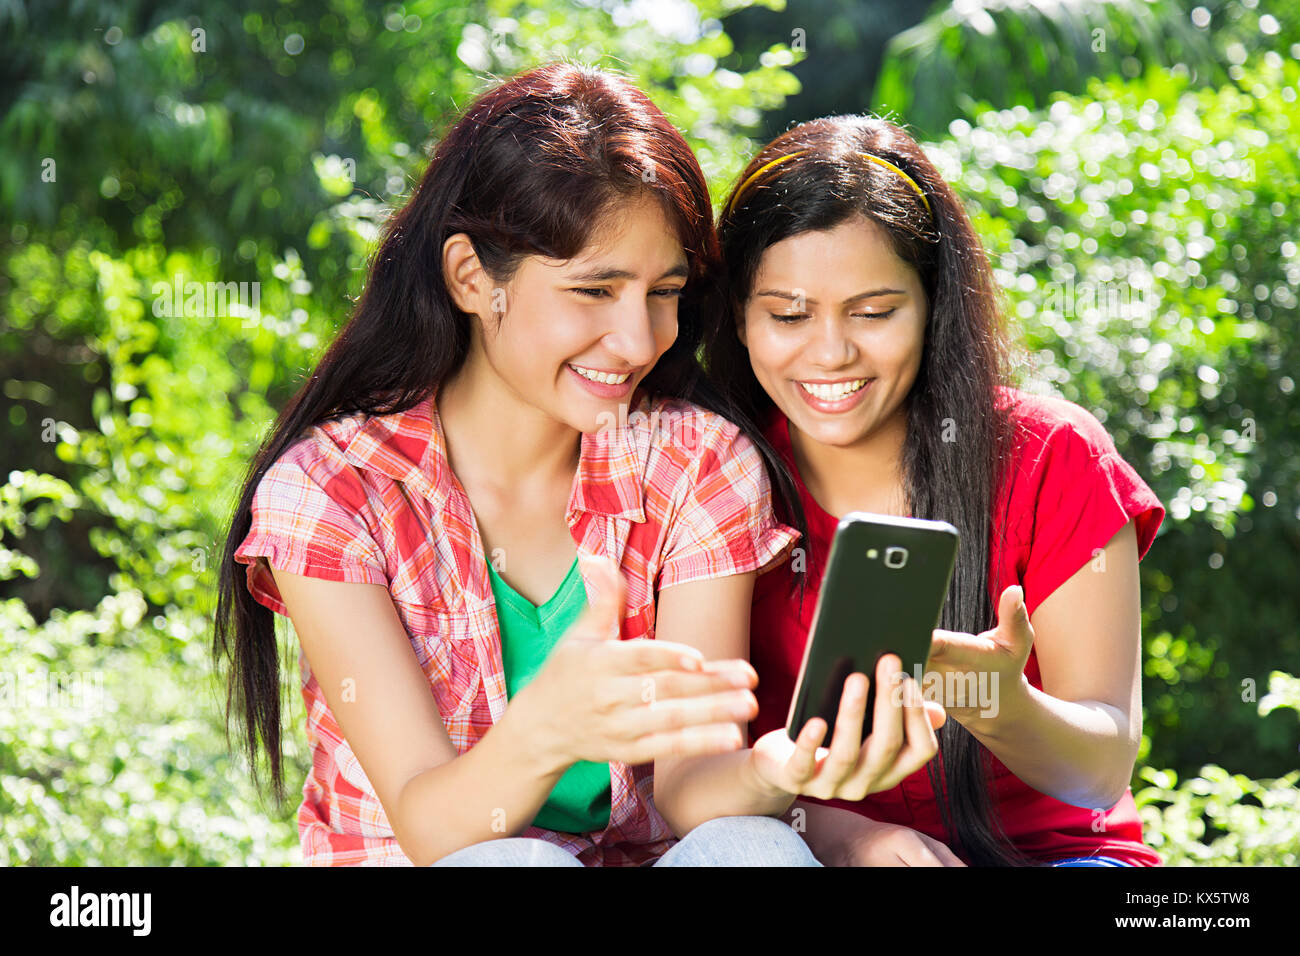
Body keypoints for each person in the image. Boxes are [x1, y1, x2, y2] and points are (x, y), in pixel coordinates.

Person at [213, 63, 933, 867]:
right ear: (472, 278)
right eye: (595, 291)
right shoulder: (333, 491)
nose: (639, 340)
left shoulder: (697, 462)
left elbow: (689, 789)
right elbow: (429, 825)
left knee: (751, 846)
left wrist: (778, 768)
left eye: (665, 291)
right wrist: (549, 727)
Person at [701, 114, 1166, 866]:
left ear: (933, 304)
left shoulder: (1051, 456)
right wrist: (850, 837)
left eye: (875, 311)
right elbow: (694, 785)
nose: (831, 353)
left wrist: (1000, 704)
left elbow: (1101, 768)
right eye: (788, 314)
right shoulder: (712, 477)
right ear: (738, 318)